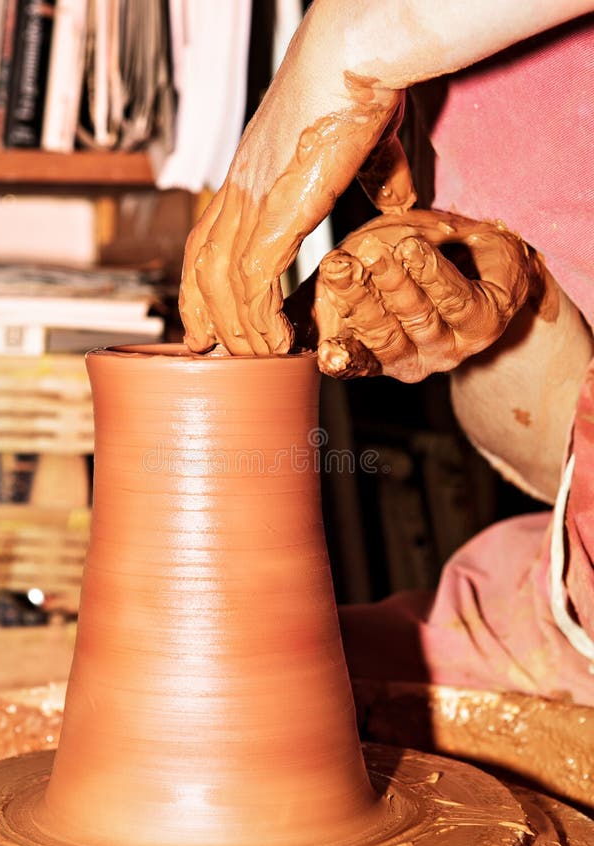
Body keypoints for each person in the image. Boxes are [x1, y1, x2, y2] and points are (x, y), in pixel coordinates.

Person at [179, 1, 594, 705]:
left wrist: (352, 39)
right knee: (254, 681)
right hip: (567, 606)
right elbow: (562, 449)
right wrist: (514, 301)